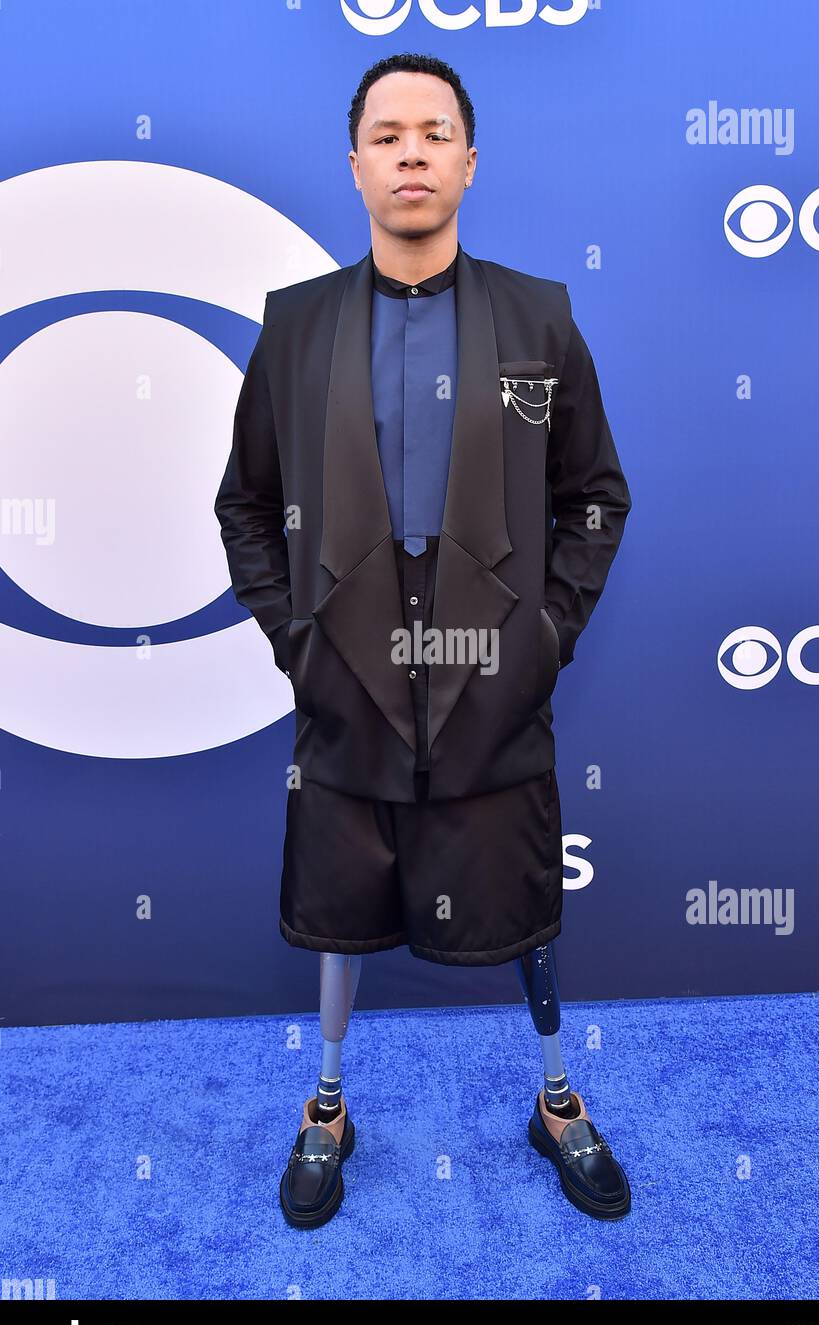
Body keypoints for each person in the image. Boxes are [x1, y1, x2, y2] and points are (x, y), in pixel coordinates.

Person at [214, 53, 633, 1229]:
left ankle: (557, 1101)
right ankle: (328, 1107)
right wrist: (298, 644)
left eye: (433, 132)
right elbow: (245, 505)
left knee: (523, 904)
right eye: (386, 134)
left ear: (468, 161)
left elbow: (596, 498)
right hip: (344, 673)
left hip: (494, 678)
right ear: (353, 165)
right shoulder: (294, 327)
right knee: (341, 901)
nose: (410, 152)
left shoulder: (538, 315)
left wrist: (545, 636)